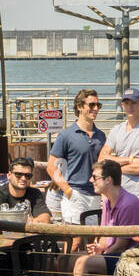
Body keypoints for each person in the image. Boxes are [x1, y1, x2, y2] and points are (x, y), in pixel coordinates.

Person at [48, 88, 106, 227]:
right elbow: (51, 167)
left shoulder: (101, 136)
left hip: (95, 195)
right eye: (91, 105)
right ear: (79, 107)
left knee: (93, 239)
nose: (96, 109)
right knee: (75, 240)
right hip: (75, 193)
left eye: (98, 105)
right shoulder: (66, 135)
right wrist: (68, 191)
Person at [98, 88, 139, 206]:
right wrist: (130, 160)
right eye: (126, 103)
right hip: (114, 191)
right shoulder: (116, 130)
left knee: (136, 225)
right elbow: (101, 159)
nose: (130, 107)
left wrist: (112, 169)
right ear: (122, 105)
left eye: (134, 103)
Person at [0, 157, 52, 223]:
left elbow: (45, 217)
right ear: (9, 175)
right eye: (18, 174)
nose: (23, 178)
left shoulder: (35, 193)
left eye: (28, 175)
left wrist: (36, 221)